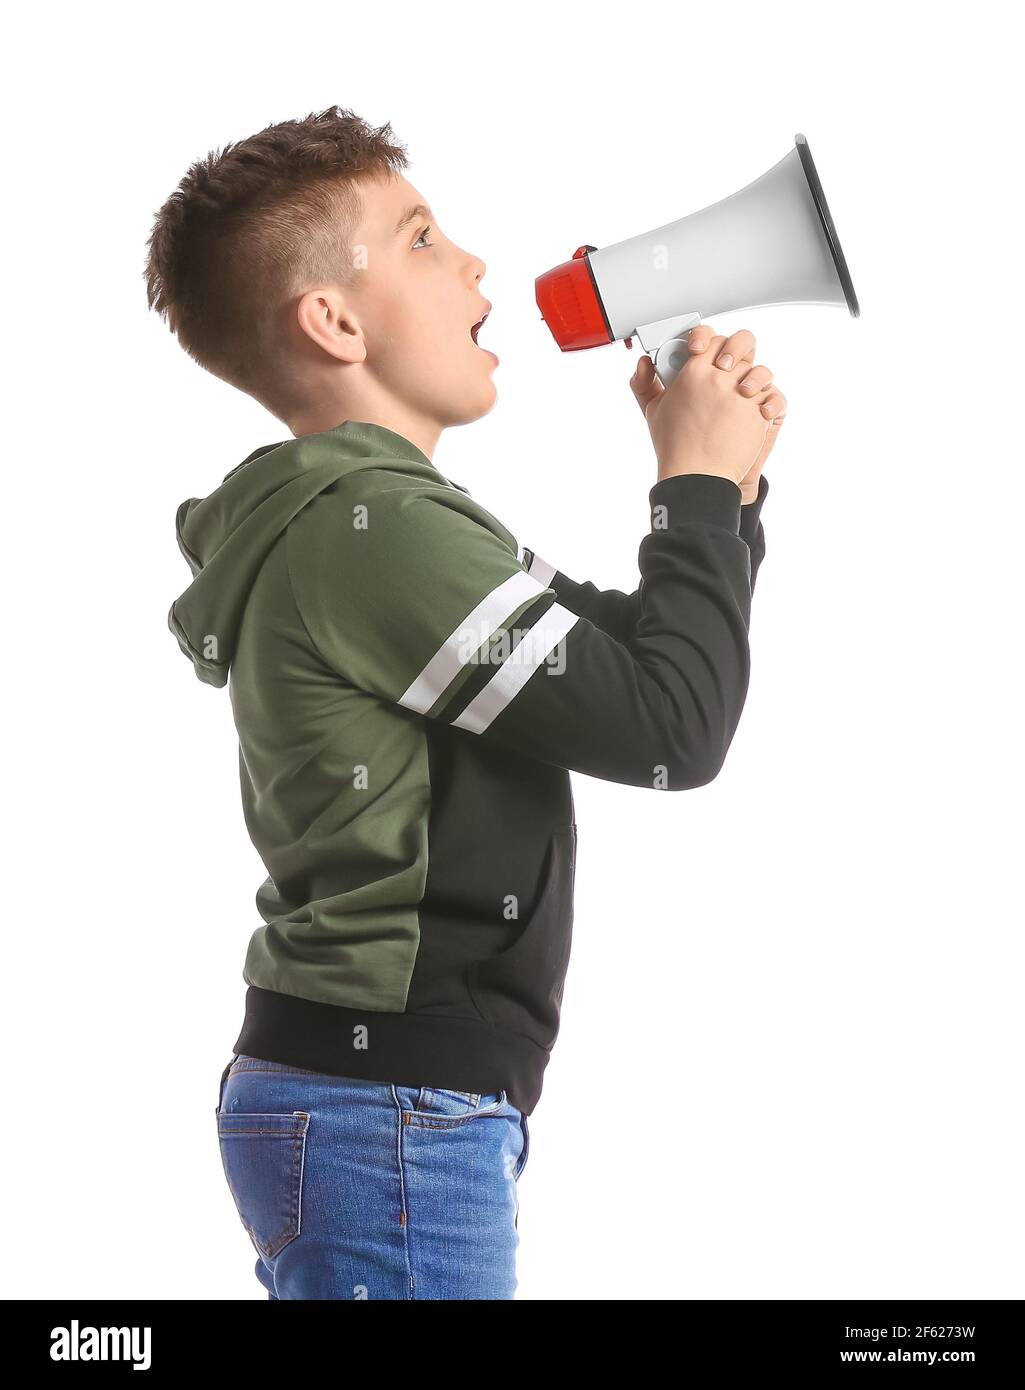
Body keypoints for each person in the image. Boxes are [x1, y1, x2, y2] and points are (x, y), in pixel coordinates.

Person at [147, 105, 783, 1301]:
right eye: (424, 239)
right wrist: (693, 486)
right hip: (384, 1106)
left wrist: (719, 493)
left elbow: (646, 655)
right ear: (332, 321)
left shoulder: (387, 518)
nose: (477, 263)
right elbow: (669, 732)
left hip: (374, 1100)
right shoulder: (372, 530)